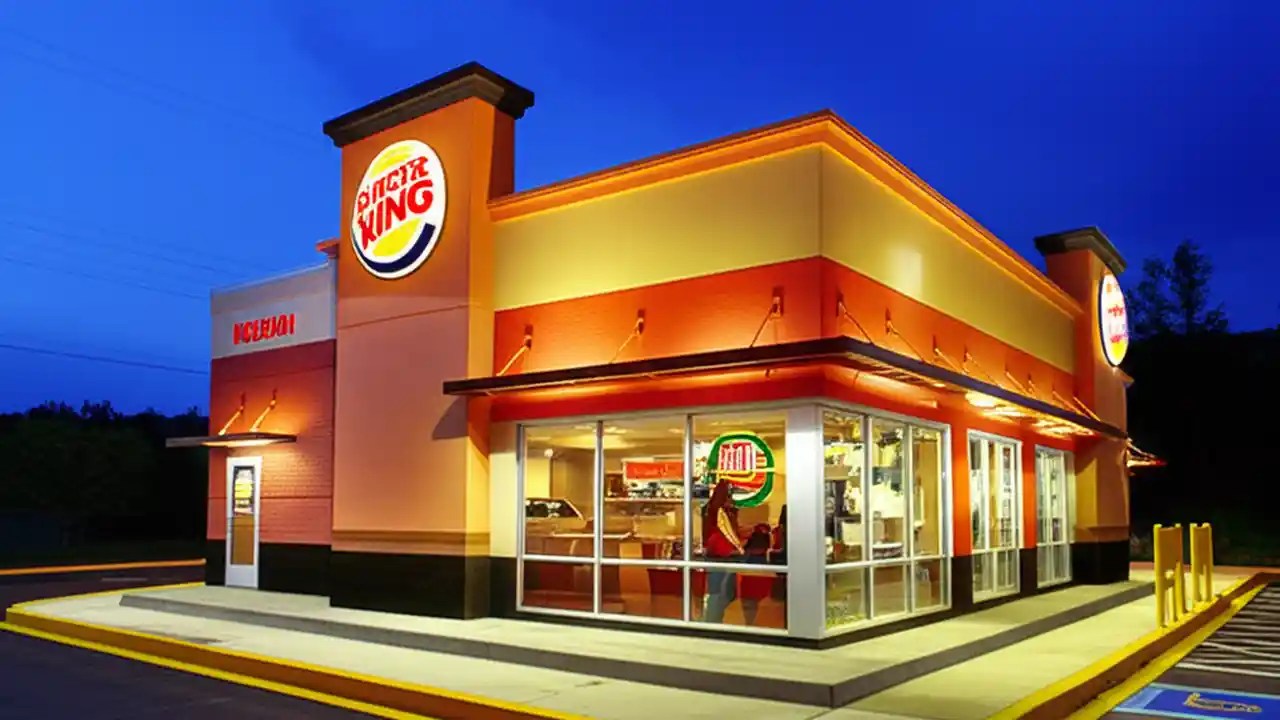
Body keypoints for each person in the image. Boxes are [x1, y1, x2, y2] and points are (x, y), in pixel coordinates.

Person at [701, 479, 743, 623]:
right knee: (719, 592)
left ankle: (713, 620)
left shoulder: (712, 509)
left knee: (720, 591)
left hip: (717, 554)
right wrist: (739, 547)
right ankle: (712, 621)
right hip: (722, 555)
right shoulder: (720, 511)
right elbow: (727, 531)